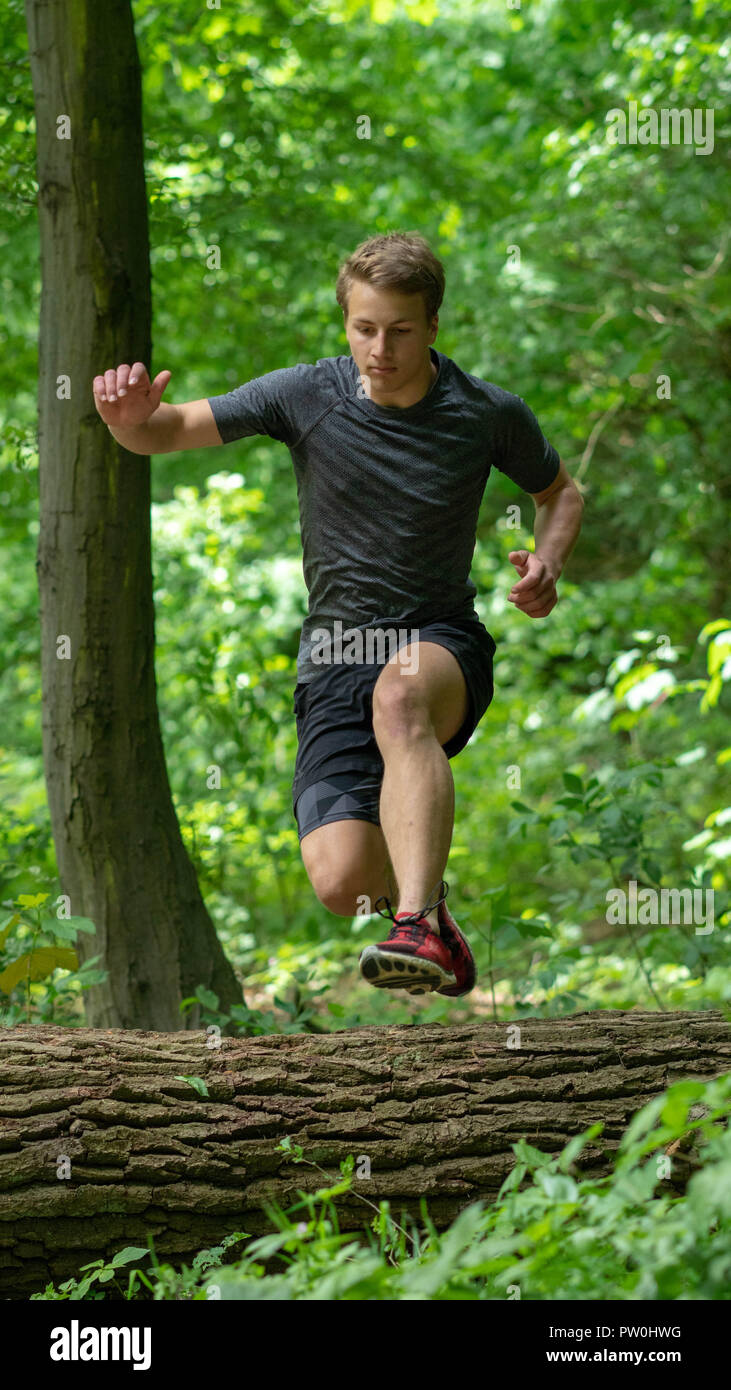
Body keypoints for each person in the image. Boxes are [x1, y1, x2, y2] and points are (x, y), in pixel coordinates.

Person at [92, 231, 584, 1000]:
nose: (379, 348)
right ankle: (436, 925)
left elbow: (560, 493)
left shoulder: (485, 413)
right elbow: (163, 431)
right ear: (345, 321)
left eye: (400, 330)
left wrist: (548, 562)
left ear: (432, 325)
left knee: (401, 694)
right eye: (363, 328)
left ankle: (416, 918)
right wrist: (125, 418)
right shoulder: (305, 395)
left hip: (439, 641)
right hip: (333, 660)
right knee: (341, 881)